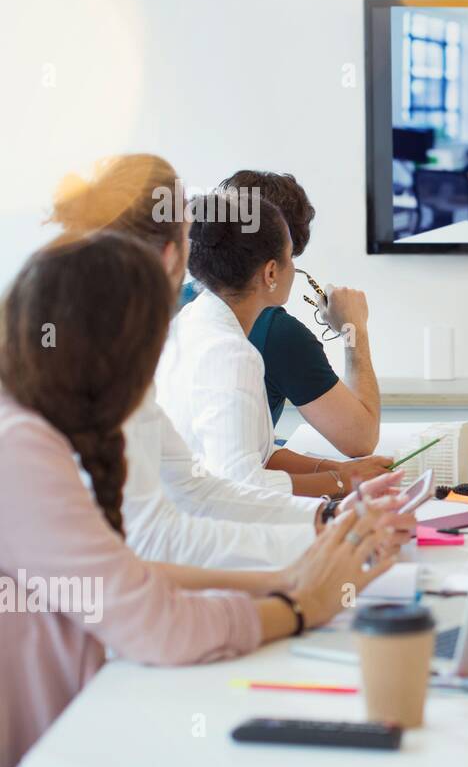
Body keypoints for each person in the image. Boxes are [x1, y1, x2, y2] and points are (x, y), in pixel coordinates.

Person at [0, 231, 404, 767]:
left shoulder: (45, 411)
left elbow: (130, 567)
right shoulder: (20, 446)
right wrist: (299, 604)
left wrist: (294, 570)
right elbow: (151, 618)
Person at [45, 155, 405, 567]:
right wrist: (337, 516)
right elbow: (191, 512)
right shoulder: (224, 348)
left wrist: (334, 513)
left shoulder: (174, 330)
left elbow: (201, 486)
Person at [156, 188, 391, 497]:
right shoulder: (234, 353)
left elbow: (254, 454)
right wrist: (342, 482)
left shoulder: (190, 320)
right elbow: (242, 483)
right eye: (290, 256)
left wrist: (341, 472)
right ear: (270, 272)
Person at [218, 170, 381, 457]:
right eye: (290, 256)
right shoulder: (278, 333)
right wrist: (354, 329)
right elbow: (360, 439)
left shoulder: (172, 301)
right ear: (272, 267)